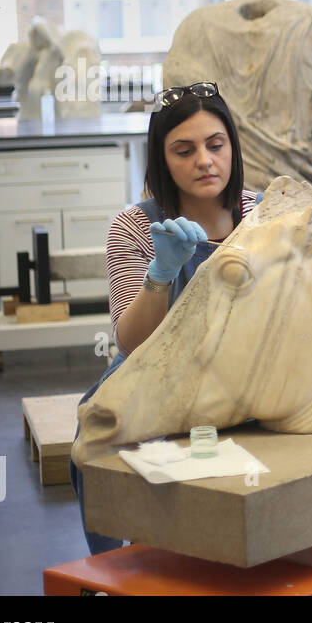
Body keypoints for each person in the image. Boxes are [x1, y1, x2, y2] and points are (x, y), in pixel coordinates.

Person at [69, 82, 263, 554]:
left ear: (232, 148)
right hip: (157, 369)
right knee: (95, 439)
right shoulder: (135, 226)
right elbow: (131, 343)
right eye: (184, 150)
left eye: (216, 145)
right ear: (161, 159)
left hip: (250, 365)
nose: (204, 161)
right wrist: (162, 271)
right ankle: (119, 568)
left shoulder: (262, 215)